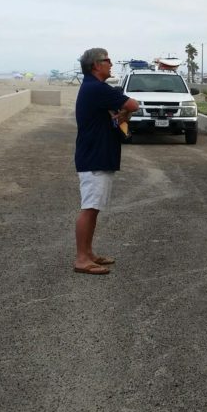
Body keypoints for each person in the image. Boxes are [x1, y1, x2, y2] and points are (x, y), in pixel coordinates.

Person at [74, 48, 138, 275]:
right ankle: (81, 258)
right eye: (107, 60)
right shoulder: (96, 88)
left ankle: (88, 253)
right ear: (95, 66)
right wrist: (125, 114)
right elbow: (133, 104)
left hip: (96, 156)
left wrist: (122, 115)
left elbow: (125, 109)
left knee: (94, 208)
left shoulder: (94, 88)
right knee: (89, 209)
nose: (111, 64)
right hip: (94, 158)